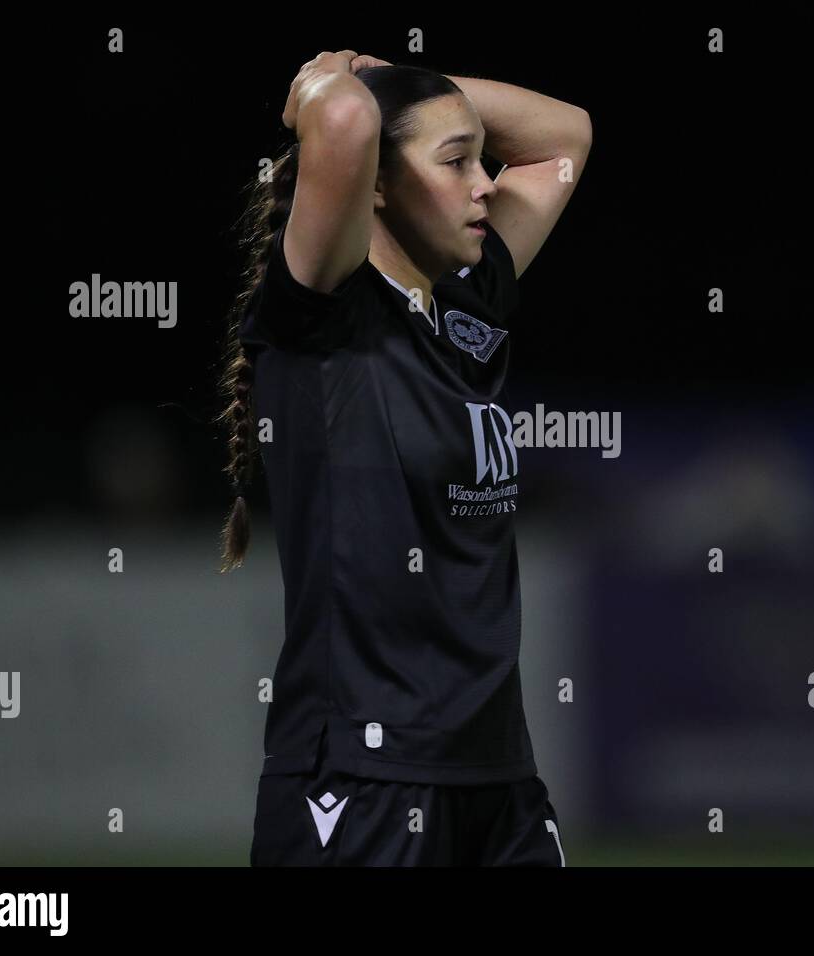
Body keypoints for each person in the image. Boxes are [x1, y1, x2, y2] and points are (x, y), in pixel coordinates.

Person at [215, 50, 590, 866]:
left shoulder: (466, 300)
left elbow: (566, 134)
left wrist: (410, 82)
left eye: (480, 158)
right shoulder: (323, 312)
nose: (485, 182)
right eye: (456, 162)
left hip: (498, 776)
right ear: (374, 184)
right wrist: (325, 85)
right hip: (363, 778)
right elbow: (346, 121)